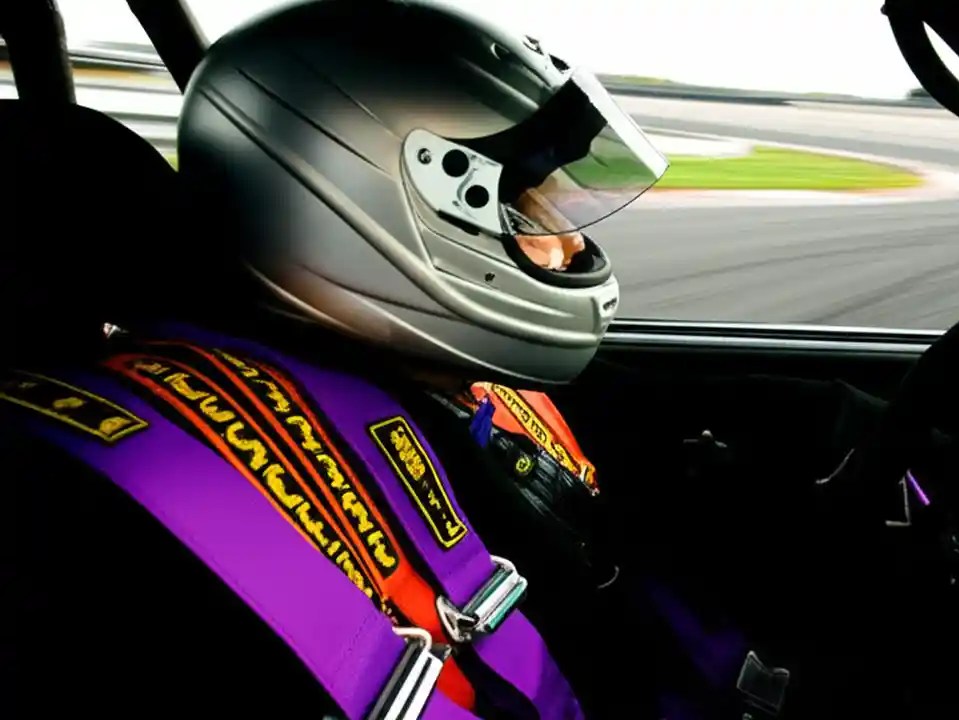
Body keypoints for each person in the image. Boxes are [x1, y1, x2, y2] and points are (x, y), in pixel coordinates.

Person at [0, 0, 692, 716]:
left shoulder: (455, 389)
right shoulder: (111, 522)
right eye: (527, 209)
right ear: (360, 201)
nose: (570, 246)